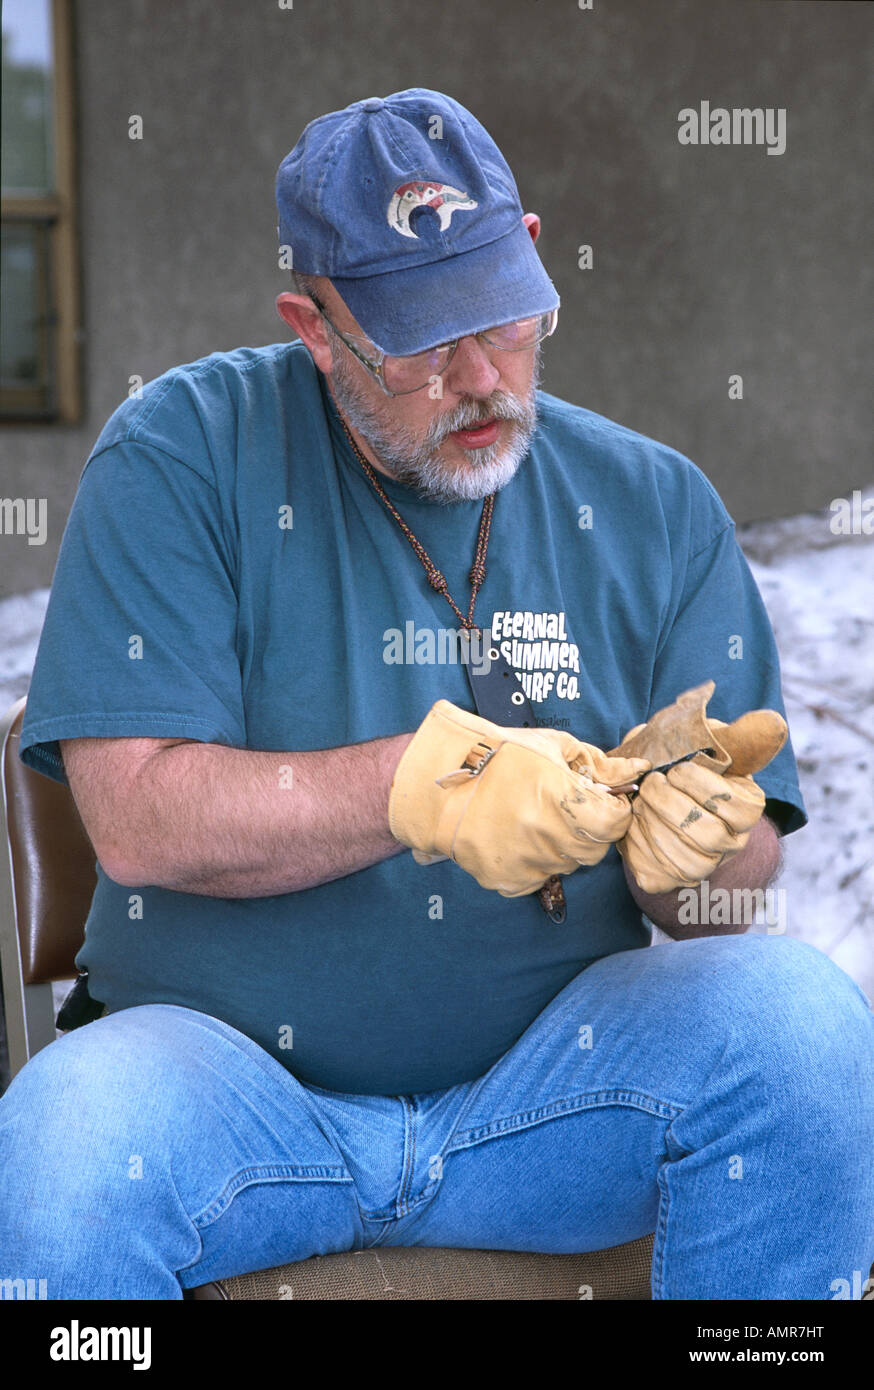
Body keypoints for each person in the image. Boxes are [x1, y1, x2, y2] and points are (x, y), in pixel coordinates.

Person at [2, 88, 872, 1301]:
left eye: (502, 320)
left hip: (555, 1102)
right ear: (313, 327)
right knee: (64, 1146)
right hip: (231, 1101)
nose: (480, 378)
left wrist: (695, 854)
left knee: (804, 1029)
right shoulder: (178, 455)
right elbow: (138, 818)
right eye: (422, 339)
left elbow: (735, 896)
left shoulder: (653, 503)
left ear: (529, 260)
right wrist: (419, 786)